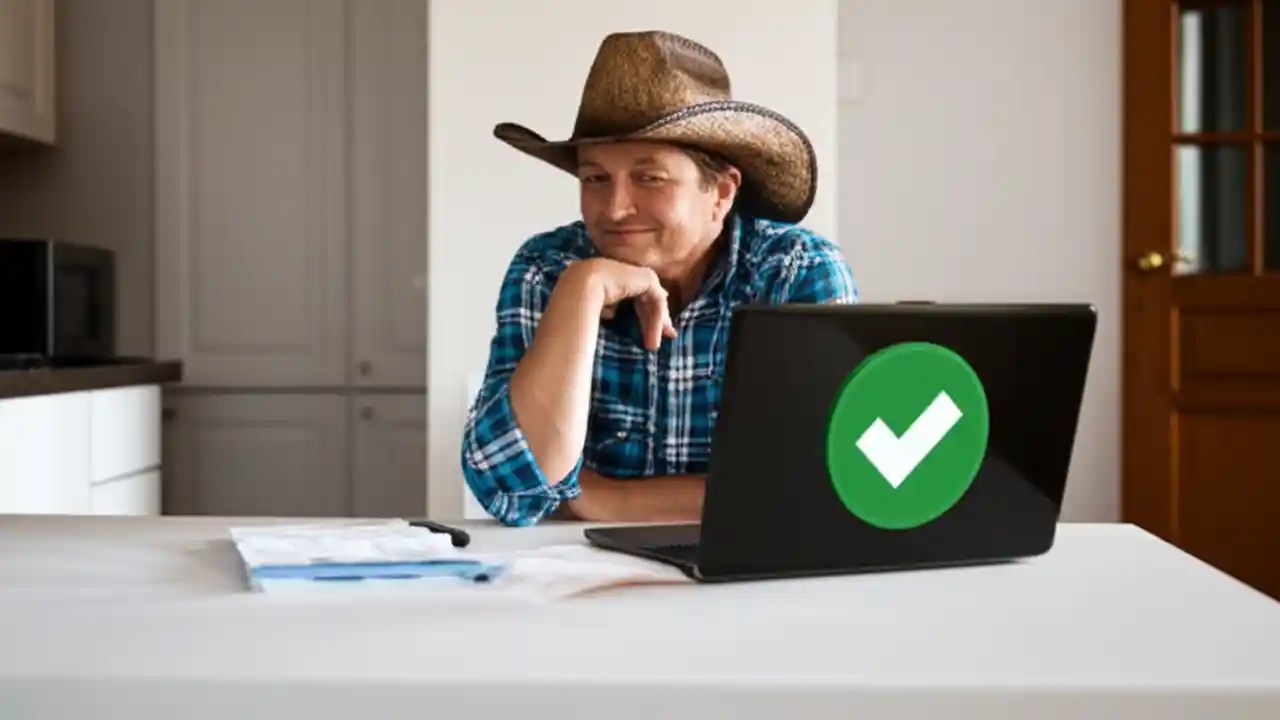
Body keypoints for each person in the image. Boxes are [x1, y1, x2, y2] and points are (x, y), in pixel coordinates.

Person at [461, 29, 858, 527]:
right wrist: (583, 291)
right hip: (577, 580)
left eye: (650, 177)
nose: (615, 208)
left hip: (750, 581)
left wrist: (609, 502)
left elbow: (823, 483)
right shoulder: (548, 268)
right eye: (594, 178)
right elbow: (510, 489)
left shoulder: (795, 271)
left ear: (721, 192)